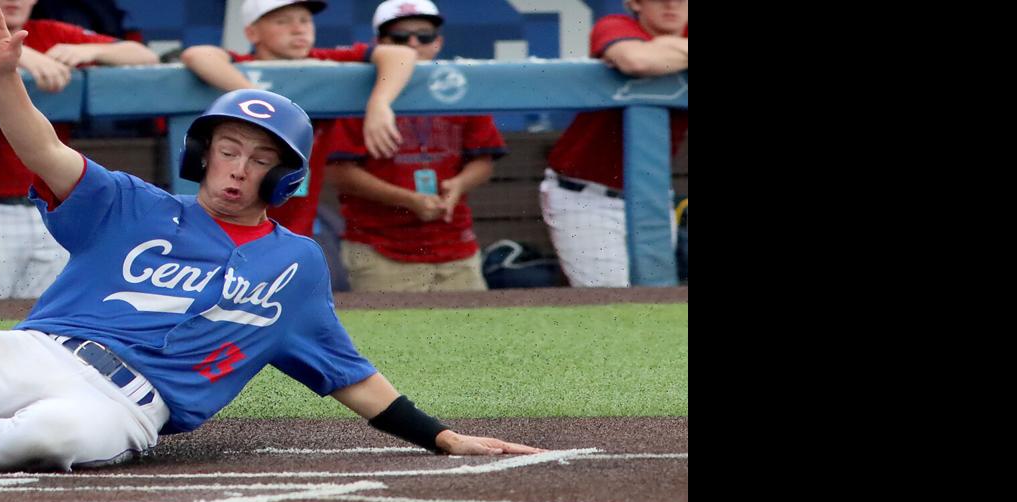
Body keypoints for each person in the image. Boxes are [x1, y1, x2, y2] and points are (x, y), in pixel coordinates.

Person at [0, 1, 536, 474]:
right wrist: (3, 80)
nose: (236, 166)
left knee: (37, 445)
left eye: (258, 157)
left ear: (283, 174)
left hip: (124, 409)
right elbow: (39, 144)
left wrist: (443, 438)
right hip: (42, 355)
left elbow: (351, 376)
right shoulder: (131, 204)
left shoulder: (294, 266)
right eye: (226, 147)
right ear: (204, 151)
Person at [0, 0, 157, 301]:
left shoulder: (49, 33)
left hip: (48, 210)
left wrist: (90, 51)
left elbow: (144, 55)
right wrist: (18, 56)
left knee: (43, 330)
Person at [178, 0, 417, 239]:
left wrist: (380, 103)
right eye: (283, 21)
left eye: (304, 20)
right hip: (228, 226)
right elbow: (198, 54)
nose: (298, 29)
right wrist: (263, 102)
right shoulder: (244, 65)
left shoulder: (324, 62)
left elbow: (402, 54)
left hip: (294, 232)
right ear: (252, 33)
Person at [325, 1, 505, 293]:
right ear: (380, 43)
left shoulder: (456, 85)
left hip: (456, 246)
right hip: (380, 250)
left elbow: (484, 161)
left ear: (438, 42)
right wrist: (408, 199)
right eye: (400, 37)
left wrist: (459, 184)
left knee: (475, 336)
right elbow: (338, 171)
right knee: (390, 339)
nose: (413, 44)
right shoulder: (358, 90)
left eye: (424, 36)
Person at [540, 0, 688, 288]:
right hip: (584, 195)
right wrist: (662, 54)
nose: (671, 3)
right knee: (611, 302)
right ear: (635, 2)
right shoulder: (616, 25)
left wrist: (669, 53)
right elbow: (637, 60)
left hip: (652, 195)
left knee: (656, 298)